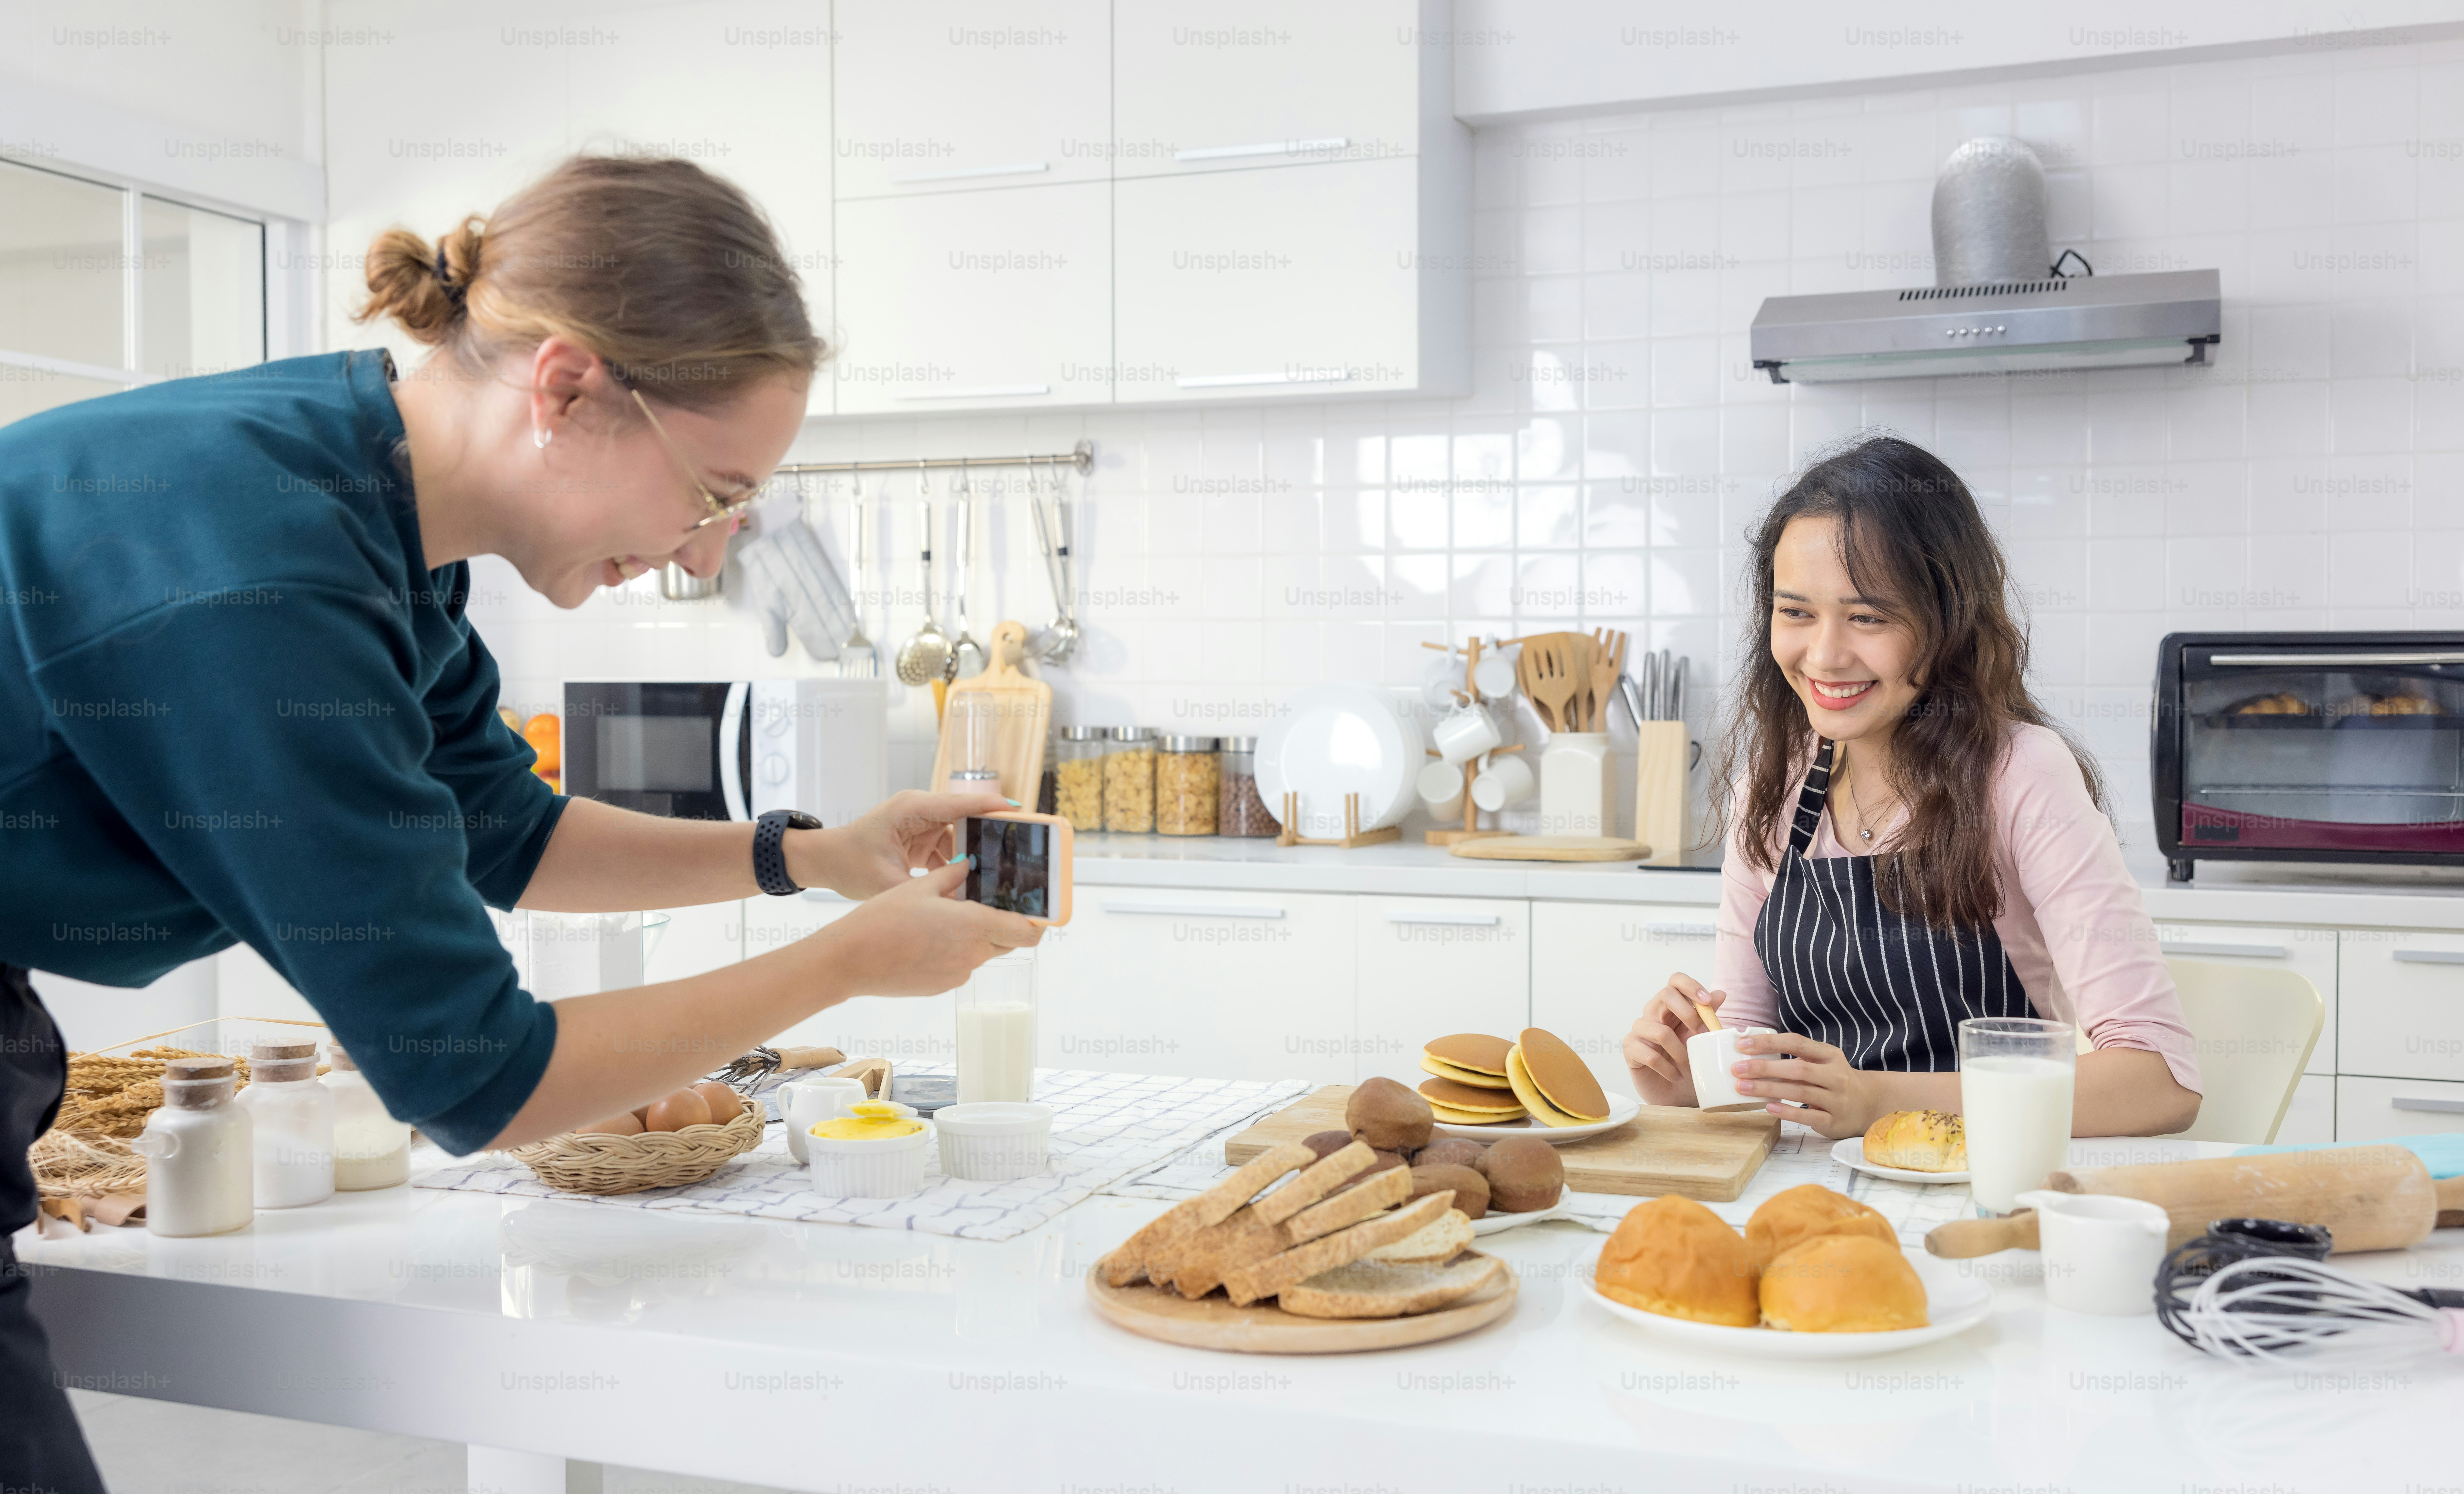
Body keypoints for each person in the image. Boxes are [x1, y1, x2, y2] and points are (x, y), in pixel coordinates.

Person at [0, 155, 1039, 1487]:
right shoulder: (266, 575)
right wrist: (850, 963)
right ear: (566, 387)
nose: (709, 552)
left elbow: (504, 830)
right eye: (712, 491)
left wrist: (810, 860)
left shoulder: (374, 507)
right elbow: (479, 1073)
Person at [1622, 436, 2200, 1141]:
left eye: (1868, 617)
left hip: (1984, 1184)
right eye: (1796, 612)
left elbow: (2159, 1081)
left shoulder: (2020, 773)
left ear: (1947, 623)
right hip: (1815, 1191)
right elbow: (1750, 1066)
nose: (1825, 655)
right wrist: (1687, 1085)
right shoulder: (1773, 788)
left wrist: (1874, 1100)